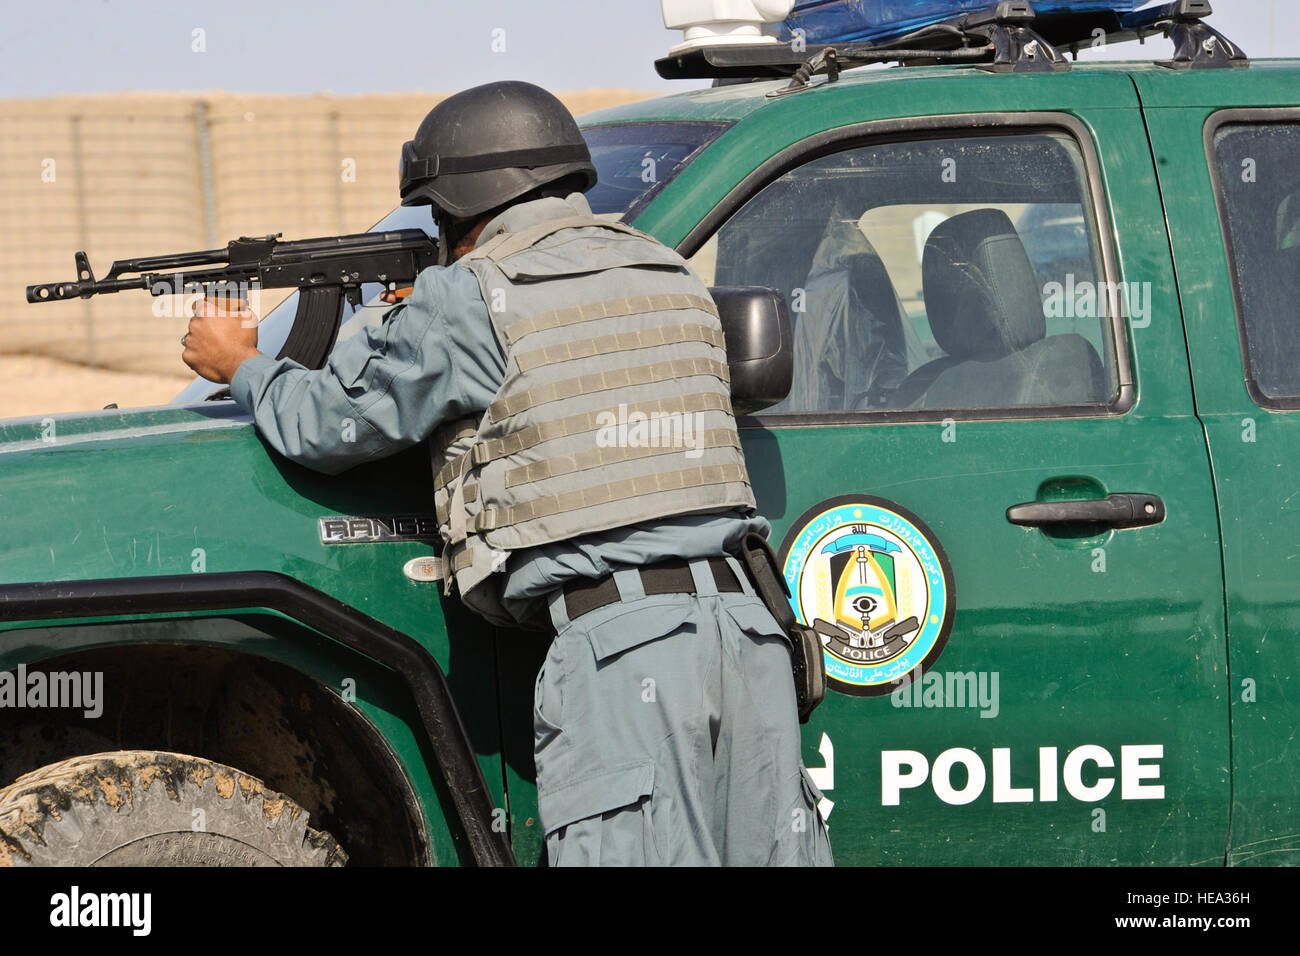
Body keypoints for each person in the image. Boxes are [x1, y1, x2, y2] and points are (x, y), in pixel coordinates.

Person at [181, 80, 832, 867]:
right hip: (750, 639)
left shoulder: (468, 298)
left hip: (624, 656)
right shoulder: (668, 273)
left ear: (459, 204)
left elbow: (329, 425)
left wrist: (244, 365)